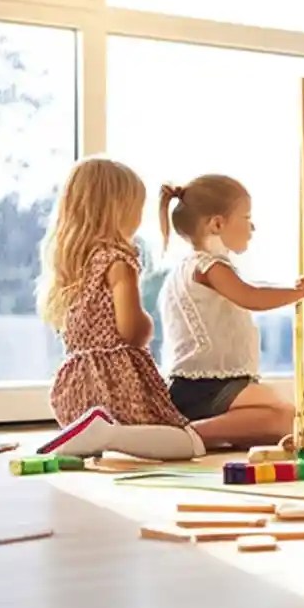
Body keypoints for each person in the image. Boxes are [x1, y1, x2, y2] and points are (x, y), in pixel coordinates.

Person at [35, 157, 205, 460]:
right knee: (189, 442)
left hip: (75, 387)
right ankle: (108, 433)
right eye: (137, 209)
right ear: (119, 210)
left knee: (153, 435)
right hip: (115, 381)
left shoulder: (73, 266)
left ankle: (91, 434)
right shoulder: (118, 261)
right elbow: (131, 332)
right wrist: (147, 324)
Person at [158, 175, 304, 450]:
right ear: (217, 224)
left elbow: (252, 288)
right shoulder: (208, 266)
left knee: (289, 418)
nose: (253, 227)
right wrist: (299, 293)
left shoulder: (193, 268)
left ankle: (199, 432)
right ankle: (189, 434)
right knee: (291, 419)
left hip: (207, 384)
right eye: (246, 218)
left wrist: (290, 288)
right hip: (206, 386)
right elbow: (251, 297)